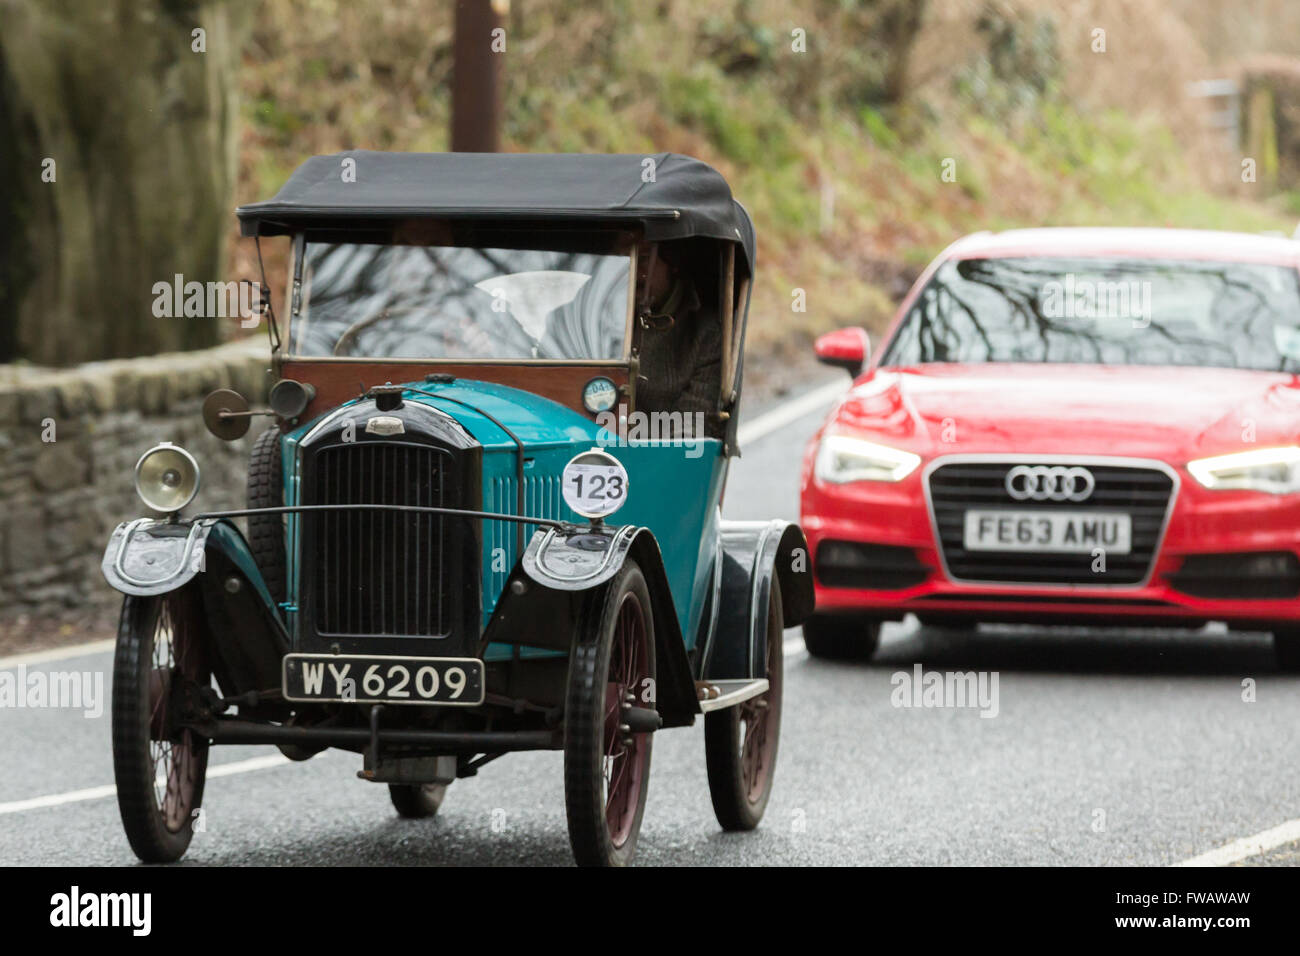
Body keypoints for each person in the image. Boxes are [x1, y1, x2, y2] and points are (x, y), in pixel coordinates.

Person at [632, 242, 724, 439]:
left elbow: (692, 425)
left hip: (663, 457)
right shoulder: (594, 316)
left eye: (643, 259)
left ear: (672, 263)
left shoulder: (705, 331)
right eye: (623, 259)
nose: (631, 270)